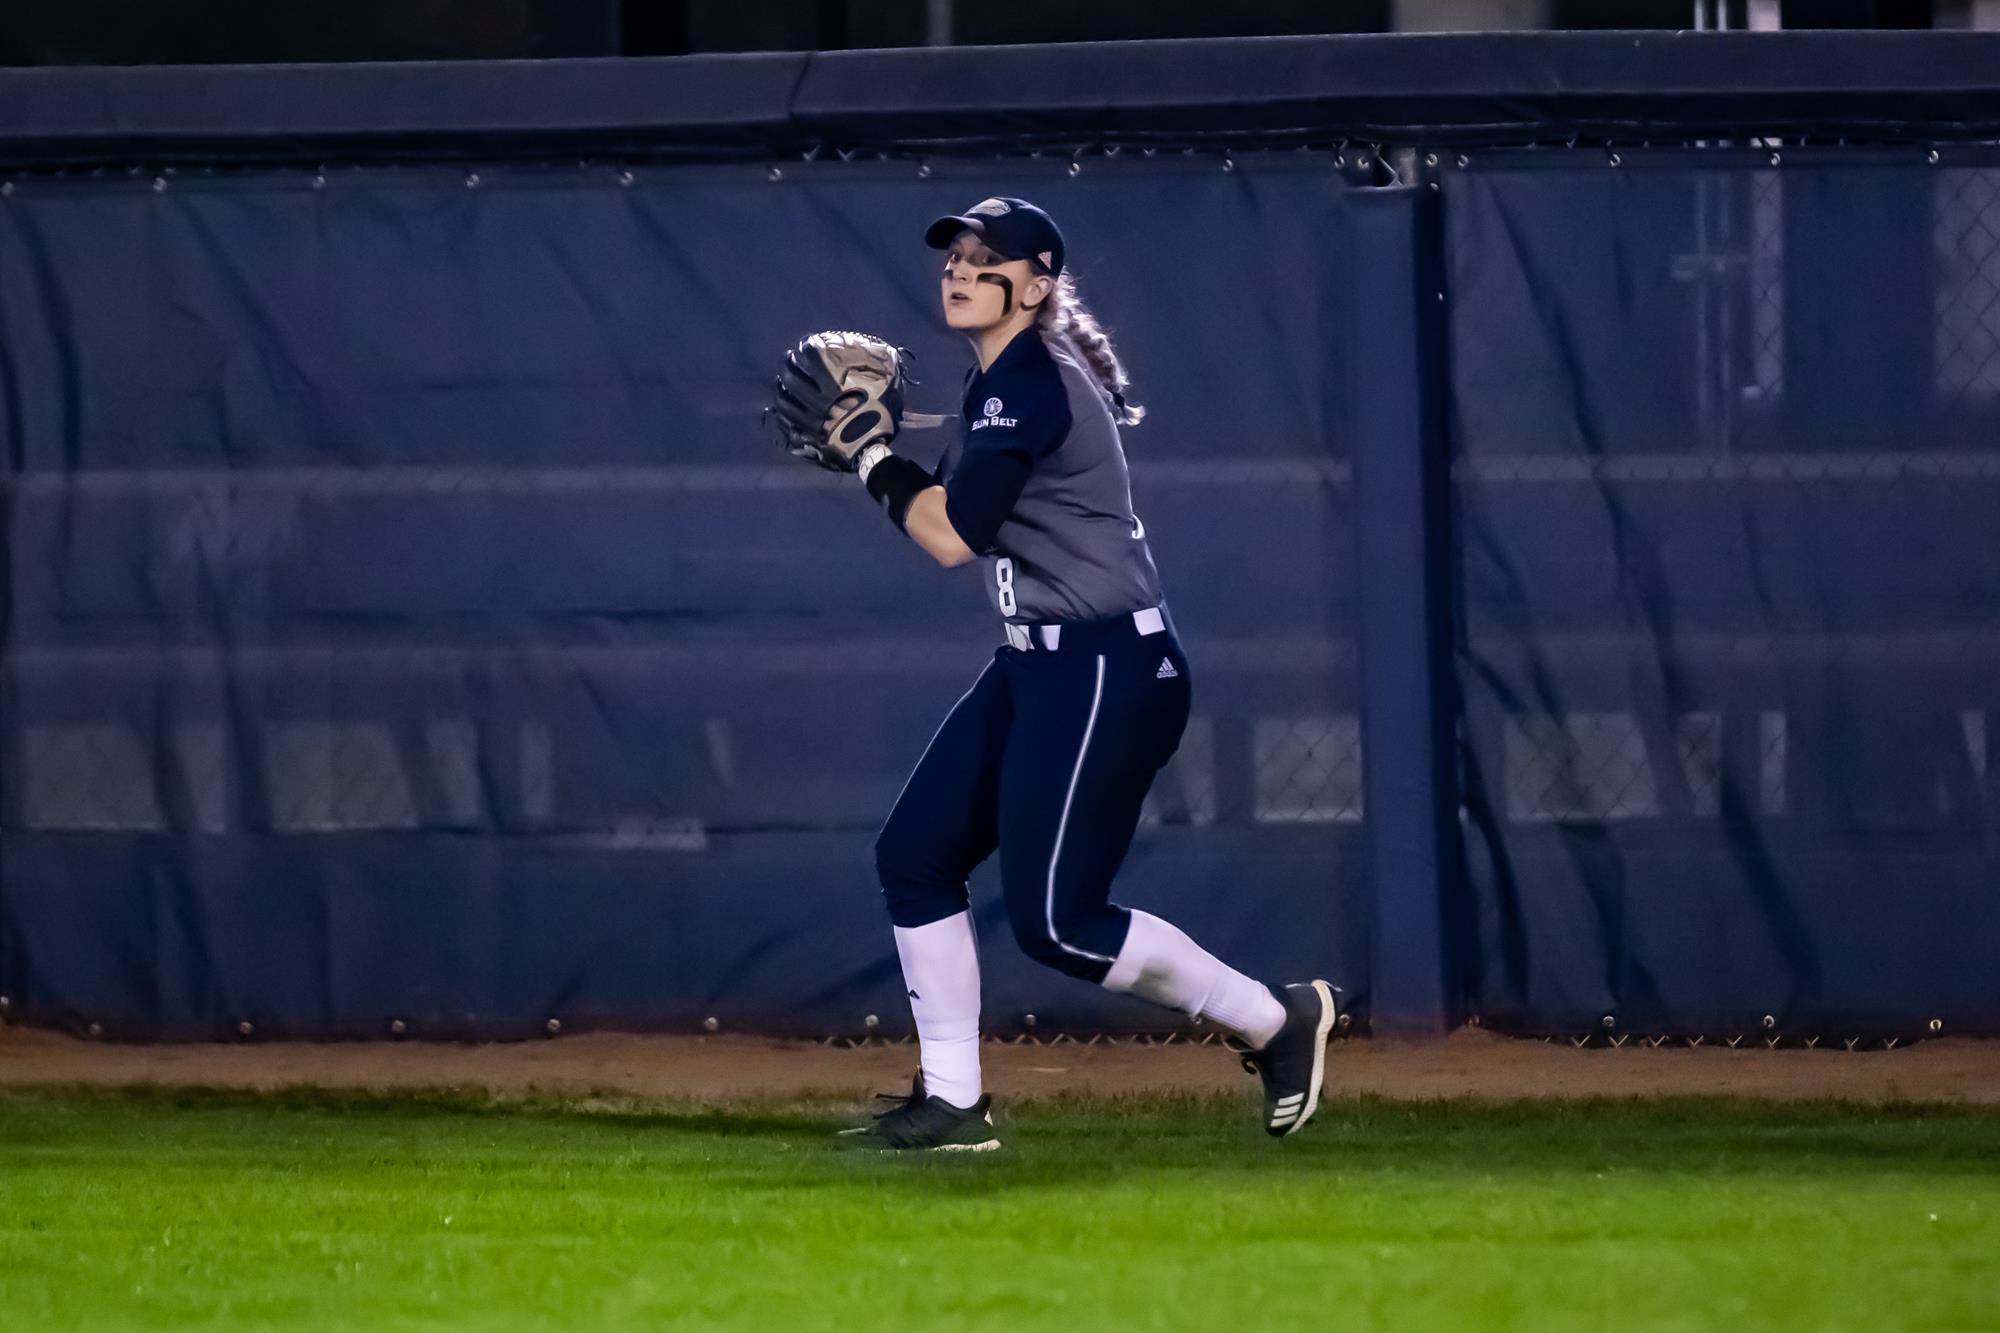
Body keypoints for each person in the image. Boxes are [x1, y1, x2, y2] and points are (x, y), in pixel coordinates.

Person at [834, 197, 1335, 1151]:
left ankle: (1276, 1020)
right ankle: (952, 1103)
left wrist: (870, 456)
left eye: (987, 259)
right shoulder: (1000, 381)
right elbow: (954, 509)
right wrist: (884, 458)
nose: (961, 270)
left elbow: (951, 537)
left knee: (1059, 925)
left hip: (1107, 665)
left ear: (1037, 286)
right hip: (1042, 663)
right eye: (955, 256)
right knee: (915, 855)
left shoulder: (1028, 381)